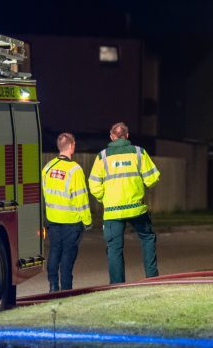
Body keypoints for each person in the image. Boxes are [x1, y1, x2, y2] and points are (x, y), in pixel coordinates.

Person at [88, 122, 161, 283]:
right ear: (127, 136)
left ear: (112, 136)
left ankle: (117, 285)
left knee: (114, 249)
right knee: (147, 238)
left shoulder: (102, 156)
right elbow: (153, 177)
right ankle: (152, 278)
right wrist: (141, 187)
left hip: (112, 211)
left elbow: (93, 185)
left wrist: (103, 198)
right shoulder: (139, 152)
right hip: (137, 209)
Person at [40, 132, 91, 292]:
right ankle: (67, 289)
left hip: (53, 219)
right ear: (71, 146)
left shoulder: (47, 168)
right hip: (71, 221)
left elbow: (45, 192)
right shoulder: (75, 170)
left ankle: (53, 285)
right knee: (68, 255)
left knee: (55, 250)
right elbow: (81, 199)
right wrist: (87, 221)